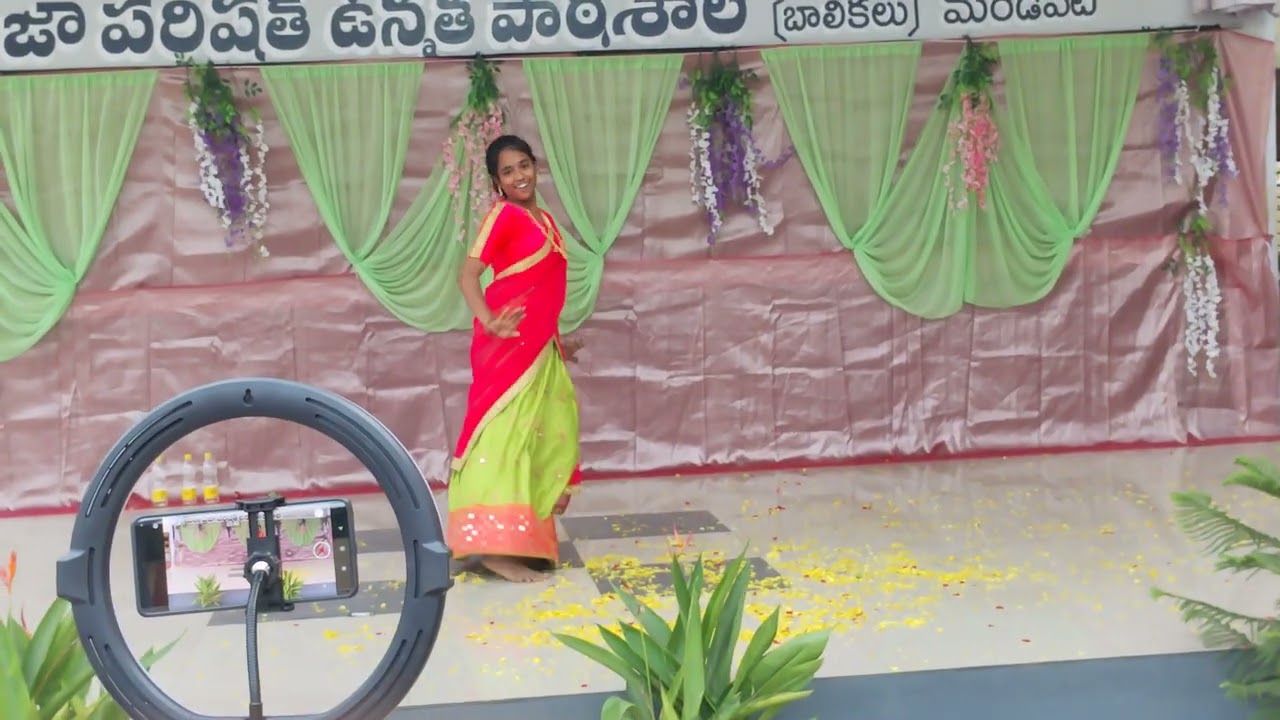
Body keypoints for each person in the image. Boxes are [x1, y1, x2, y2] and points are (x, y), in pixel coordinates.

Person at [447, 134, 584, 583]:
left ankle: (521, 539)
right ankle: (491, 548)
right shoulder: (502, 214)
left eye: (523, 165)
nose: (519, 175)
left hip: (538, 348)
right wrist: (489, 321)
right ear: (496, 181)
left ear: (535, 166)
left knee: (534, 439)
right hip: (506, 348)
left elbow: (543, 290)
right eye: (508, 171)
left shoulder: (543, 218)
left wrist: (556, 339)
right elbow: (467, 276)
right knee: (503, 439)